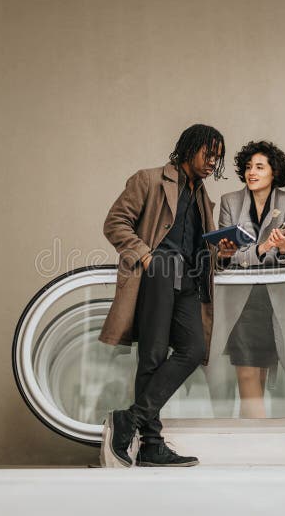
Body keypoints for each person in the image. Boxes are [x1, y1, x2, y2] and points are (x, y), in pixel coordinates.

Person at [99, 124, 224, 468]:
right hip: (157, 275)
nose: (213, 162)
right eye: (208, 153)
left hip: (190, 282)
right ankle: (152, 445)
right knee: (152, 356)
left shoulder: (203, 199)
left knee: (193, 350)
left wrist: (223, 251)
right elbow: (115, 223)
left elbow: (206, 252)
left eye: (217, 157)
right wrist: (146, 257)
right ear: (189, 148)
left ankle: (129, 419)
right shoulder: (149, 179)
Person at [212, 140, 285, 418]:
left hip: (271, 301)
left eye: (260, 167)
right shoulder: (230, 201)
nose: (252, 172)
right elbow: (226, 254)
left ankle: (250, 432)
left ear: (275, 172)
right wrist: (263, 249)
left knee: (259, 374)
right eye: (249, 167)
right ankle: (258, 435)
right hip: (238, 301)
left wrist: (283, 248)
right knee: (247, 374)